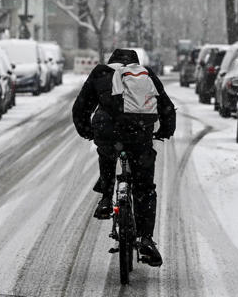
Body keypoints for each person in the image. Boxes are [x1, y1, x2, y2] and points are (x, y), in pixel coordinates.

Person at [72, 49, 175, 267]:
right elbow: (166, 107)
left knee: (107, 153)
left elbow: (80, 107)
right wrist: (164, 131)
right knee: (145, 187)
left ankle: (107, 199)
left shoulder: (102, 73)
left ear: (112, 62)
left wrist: (87, 132)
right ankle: (145, 238)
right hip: (140, 134)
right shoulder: (145, 74)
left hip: (108, 132)